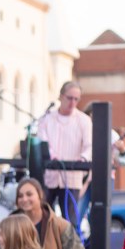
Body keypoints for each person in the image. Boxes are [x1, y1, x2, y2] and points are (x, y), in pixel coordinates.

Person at [38, 81, 92, 229]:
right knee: (43, 217)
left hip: (72, 178)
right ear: (61, 96)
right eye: (69, 98)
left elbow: (89, 145)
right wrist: (52, 156)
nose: (73, 102)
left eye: (77, 99)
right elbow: (43, 142)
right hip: (49, 176)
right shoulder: (46, 119)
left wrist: (82, 159)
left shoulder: (84, 120)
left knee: (70, 221)